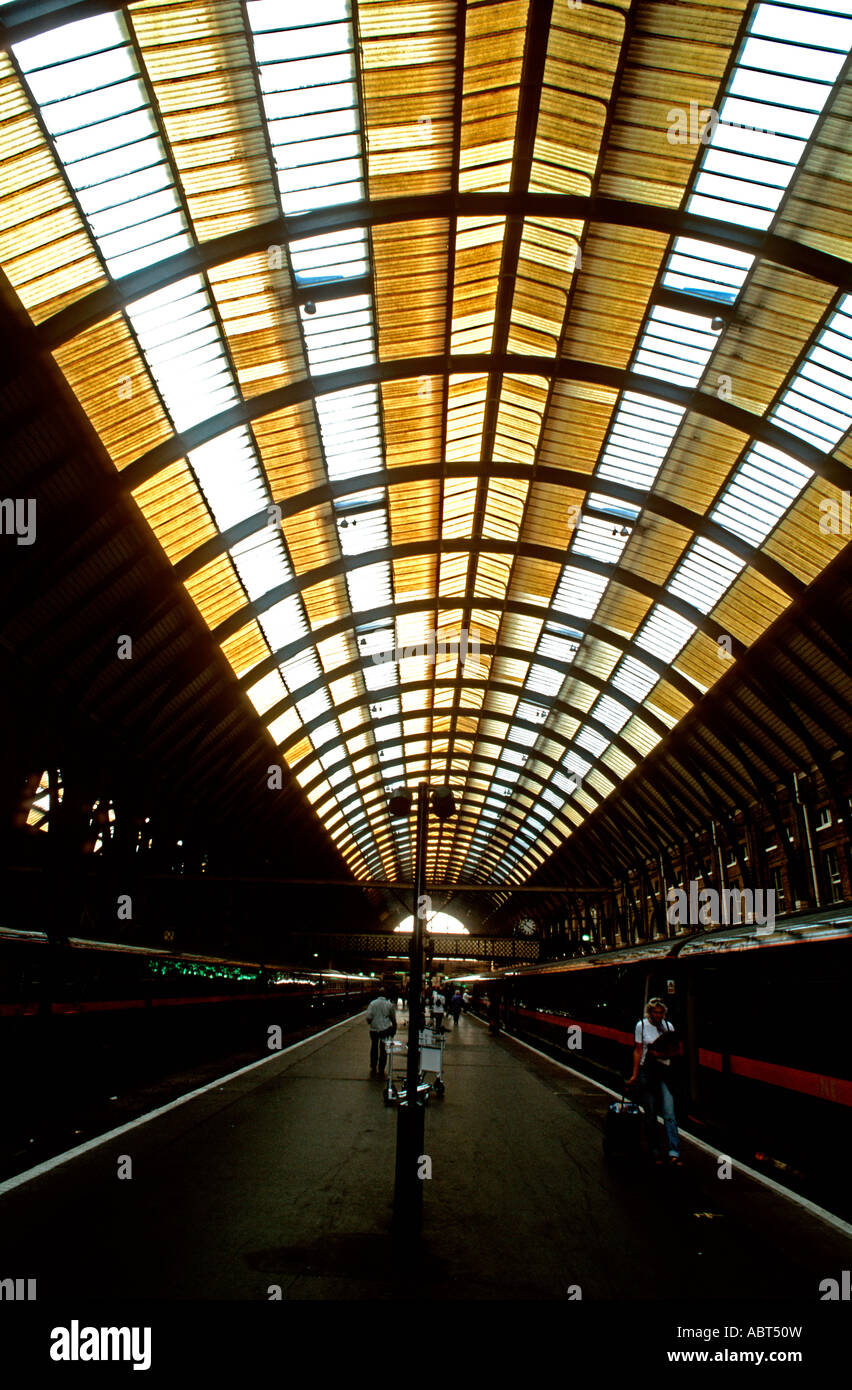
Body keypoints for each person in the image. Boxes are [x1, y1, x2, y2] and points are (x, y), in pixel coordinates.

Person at [626, 997, 682, 1165]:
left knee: (669, 1113)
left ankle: (674, 1151)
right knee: (650, 1113)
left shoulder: (669, 1027)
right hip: (648, 1071)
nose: (658, 1016)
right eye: (655, 1013)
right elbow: (638, 1051)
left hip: (665, 1071)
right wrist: (635, 1075)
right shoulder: (641, 1026)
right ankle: (654, 1150)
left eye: (661, 1013)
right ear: (650, 1012)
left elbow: (677, 1050)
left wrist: (661, 1055)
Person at [365, 987, 396, 1078]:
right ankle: (381, 1067)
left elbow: (368, 1017)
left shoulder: (372, 1003)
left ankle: (373, 1065)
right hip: (385, 1030)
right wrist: (394, 1026)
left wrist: (371, 1022)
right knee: (383, 1049)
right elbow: (392, 1018)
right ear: (385, 994)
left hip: (374, 1030)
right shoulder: (389, 1004)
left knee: (374, 1046)